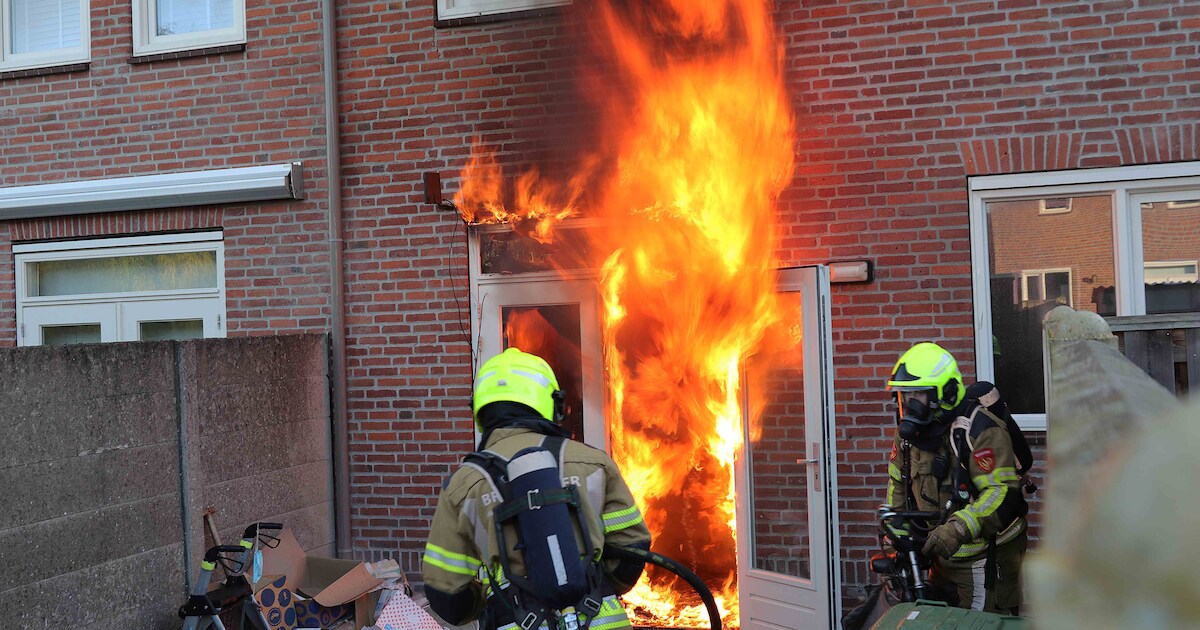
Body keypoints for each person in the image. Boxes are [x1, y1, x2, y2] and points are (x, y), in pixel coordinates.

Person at [422, 348, 652, 629]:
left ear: (479, 411)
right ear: (553, 404)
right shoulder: (593, 463)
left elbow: (445, 591)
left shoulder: (464, 484)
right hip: (602, 621)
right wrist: (588, 583)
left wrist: (495, 601)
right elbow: (633, 547)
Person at [884, 342, 1028, 614]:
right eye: (905, 397)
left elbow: (1001, 494)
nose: (909, 407)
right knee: (941, 618)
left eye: (918, 396)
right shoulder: (910, 437)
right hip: (941, 556)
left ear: (946, 393)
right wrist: (899, 535)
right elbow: (897, 485)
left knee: (980, 623)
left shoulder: (981, 430)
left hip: (985, 558)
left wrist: (959, 527)